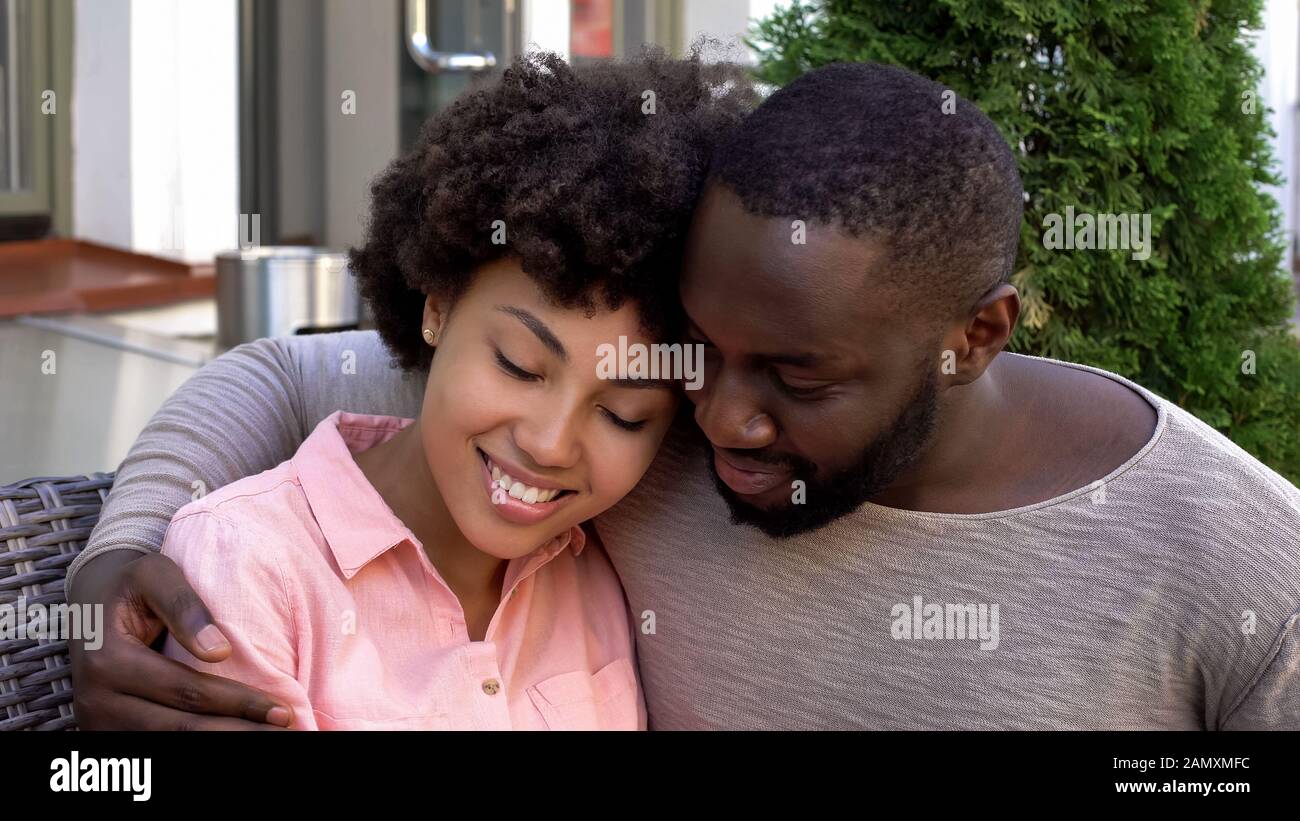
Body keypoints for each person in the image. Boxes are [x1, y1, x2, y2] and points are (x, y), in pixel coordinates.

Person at [67, 62, 1300, 730]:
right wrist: (119, 556)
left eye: (797, 375)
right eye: (703, 350)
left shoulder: (1237, 567)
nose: (723, 418)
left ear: (971, 338)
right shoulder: (632, 423)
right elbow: (281, 375)